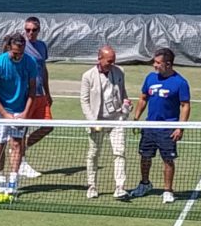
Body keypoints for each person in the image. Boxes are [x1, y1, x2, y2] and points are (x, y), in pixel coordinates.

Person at [130, 47, 191, 204]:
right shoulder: (150, 78)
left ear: (168, 64)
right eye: (154, 62)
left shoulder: (180, 83)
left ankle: (168, 190)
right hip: (150, 127)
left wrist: (180, 128)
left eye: (157, 63)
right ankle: (145, 184)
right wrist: (136, 118)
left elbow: (185, 105)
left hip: (167, 128)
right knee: (145, 157)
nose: (154, 65)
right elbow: (143, 98)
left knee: (168, 160)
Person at [0, 33, 39, 196]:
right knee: (0, 144)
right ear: (9, 48)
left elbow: (32, 90)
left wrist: (25, 112)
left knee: (16, 143)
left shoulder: (30, 63)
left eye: (21, 52)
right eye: (16, 53)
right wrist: (4, 114)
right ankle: (1, 177)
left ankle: (13, 180)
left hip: (20, 108)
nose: (18, 56)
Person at [79, 45, 130, 200]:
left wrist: (126, 105)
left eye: (113, 61)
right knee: (94, 154)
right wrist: (93, 121)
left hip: (116, 119)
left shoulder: (119, 71)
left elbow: (122, 92)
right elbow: (84, 101)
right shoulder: (88, 76)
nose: (112, 64)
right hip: (97, 120)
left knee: (119, 152)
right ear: (99, 59)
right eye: (109, 61)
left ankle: (120, 187)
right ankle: (92, 185)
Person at [19, 16, 52, 178]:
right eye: (27, 30)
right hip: (26, 95)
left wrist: (48, 92)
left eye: (33, 30)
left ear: (39, 30)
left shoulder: (42, 46)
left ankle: (20, 149)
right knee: (22, 130)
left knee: (48, 126)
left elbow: (43, 69)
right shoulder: (20, 46)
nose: (30, 33)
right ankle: (21, 162)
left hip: (40, 94)